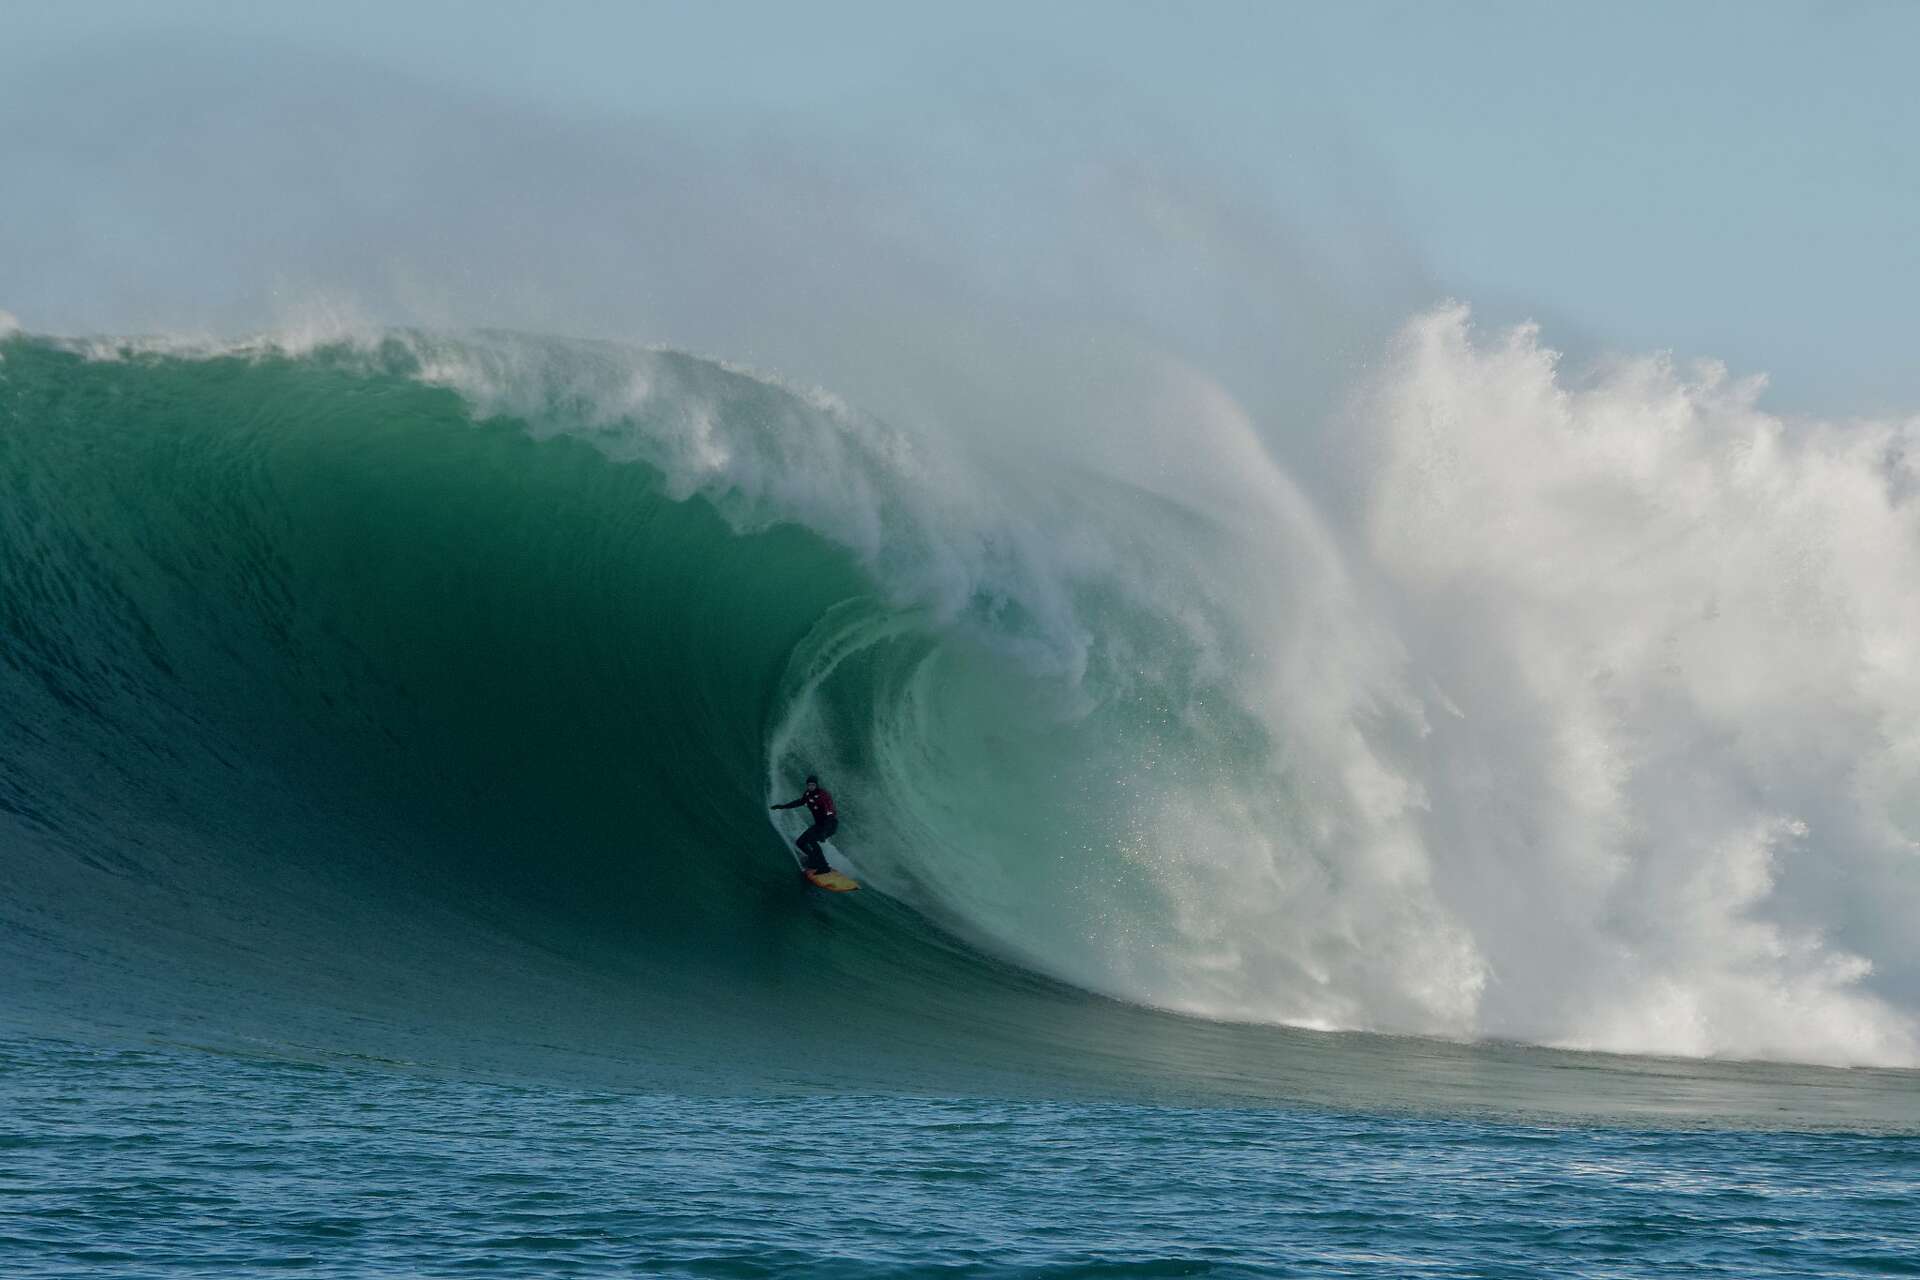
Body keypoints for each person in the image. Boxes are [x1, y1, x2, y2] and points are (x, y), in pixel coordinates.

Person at [771, 775, 838, 874]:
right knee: (800, 842)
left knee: (812, 840)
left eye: (813, 785)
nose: (811, 787)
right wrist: (782, 806)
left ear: (816, 785)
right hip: (819, 825)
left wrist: (824, 832)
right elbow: (799, 802)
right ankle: (814, 860)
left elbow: (830, 815)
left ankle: (824, 866)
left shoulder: (823, 796)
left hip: (830, 825)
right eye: (809, 785)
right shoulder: (807, 794)